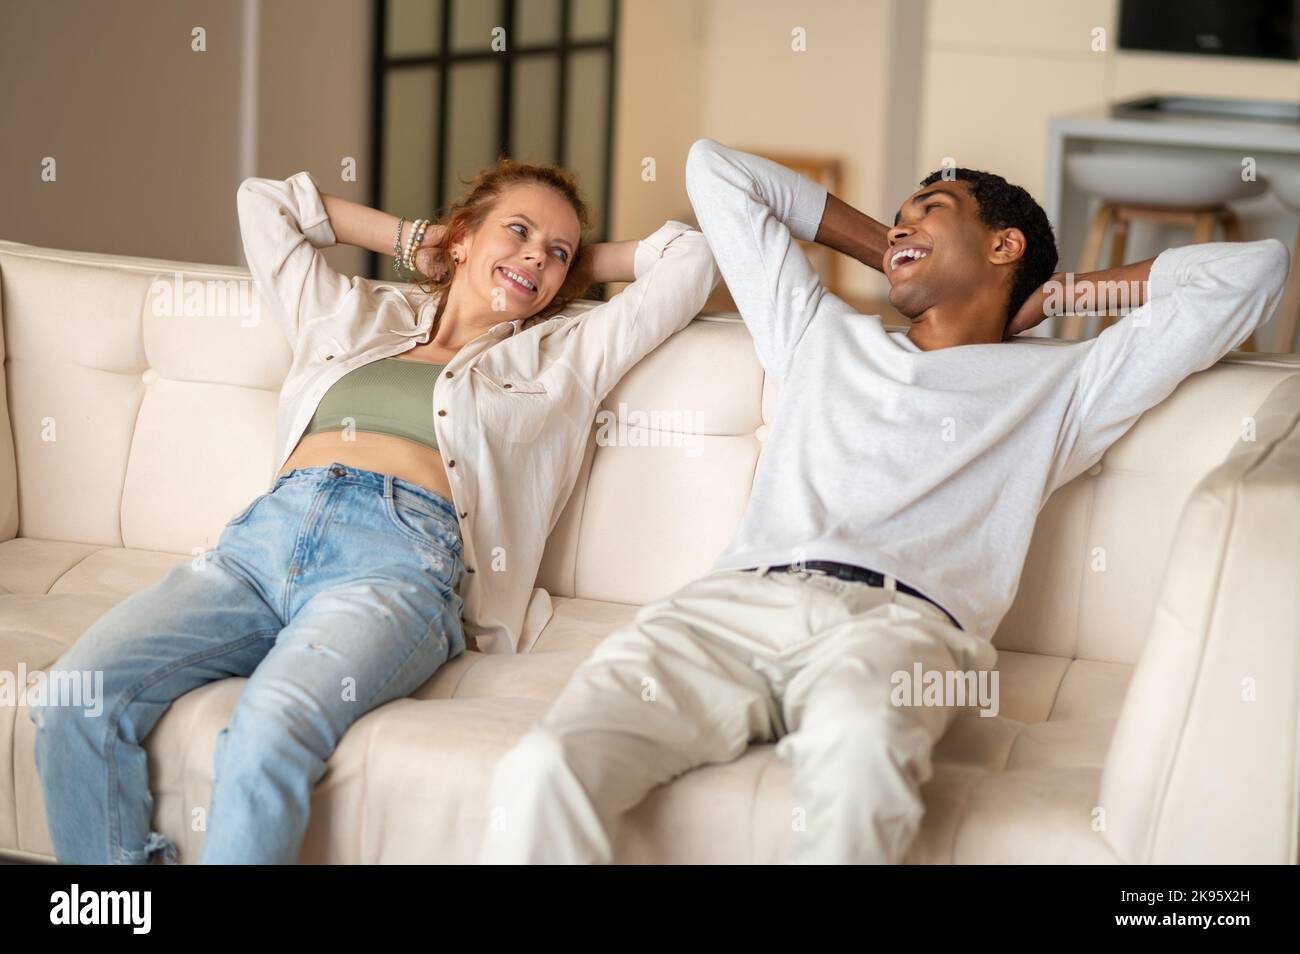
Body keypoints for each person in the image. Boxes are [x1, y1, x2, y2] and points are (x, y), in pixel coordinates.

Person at [478, 137, 1289, 864]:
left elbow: (1253, 271)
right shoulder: (816, 333)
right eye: (898, 217)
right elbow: (713, 169)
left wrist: (1056, 295)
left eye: (931, 210)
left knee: (861, 753)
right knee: (542, 770)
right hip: (731, 609)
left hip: (901, 630)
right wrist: (895, 247)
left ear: (1004, 245)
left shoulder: (1066, 386)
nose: (903, 224)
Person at [28, 154, 719, 864]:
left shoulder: (565, 352)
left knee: (269, 730)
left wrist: (555, 266)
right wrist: (414, 238)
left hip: (396, 564)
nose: (536, 256)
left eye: (557, 252)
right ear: (461, 238)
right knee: (74, 700)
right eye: (516, 230)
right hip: (255, 549)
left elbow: (691, 256)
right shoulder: (356, 315)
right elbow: (264, 203)